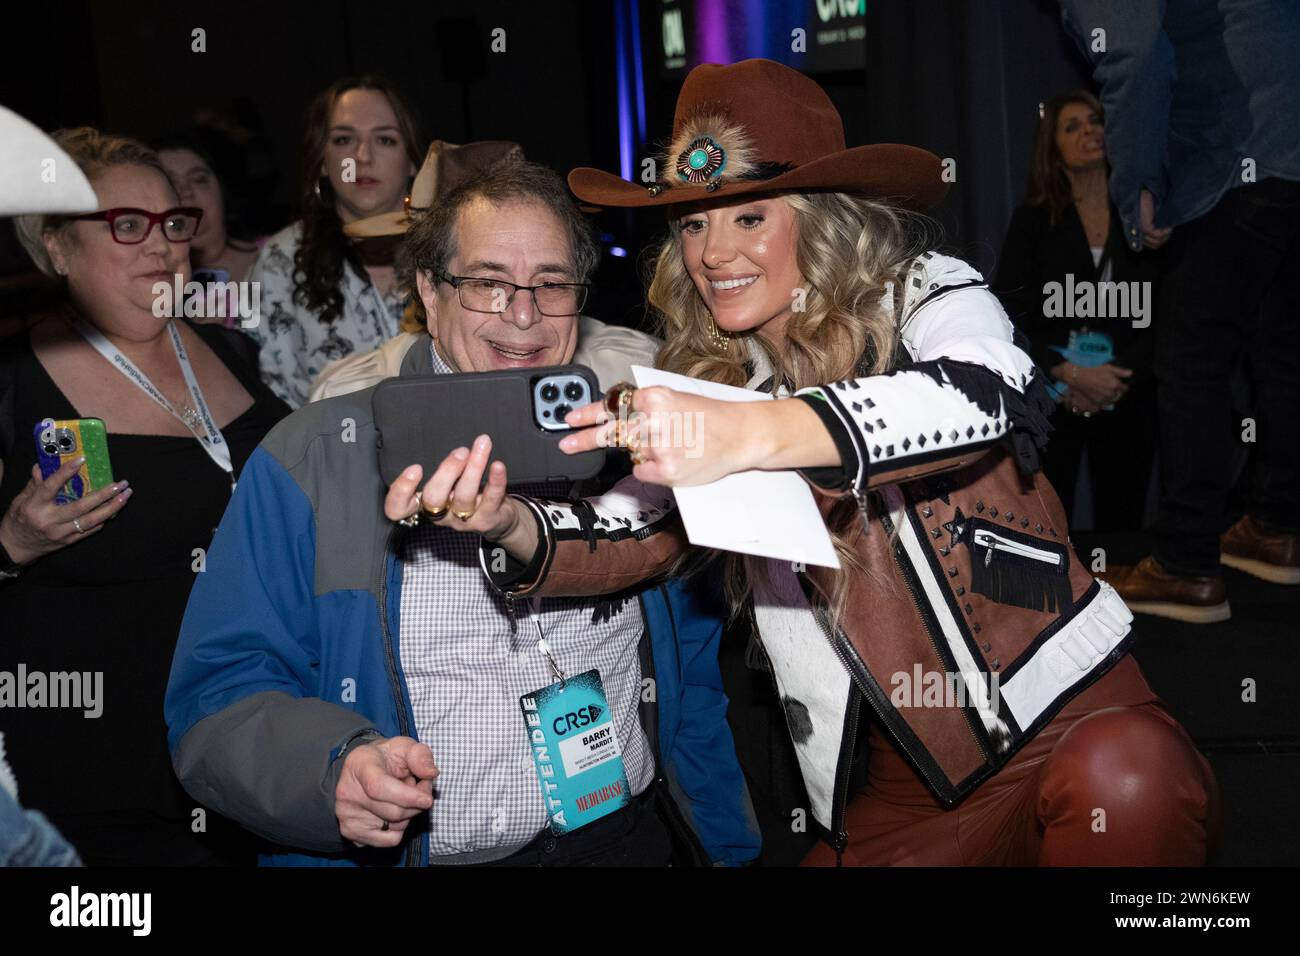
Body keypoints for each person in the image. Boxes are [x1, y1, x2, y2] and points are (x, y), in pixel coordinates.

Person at [406, 59, 1219, 866]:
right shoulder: (715, 385)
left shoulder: (925, 293)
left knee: (1130, 779)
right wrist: (507, 520)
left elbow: (989, 392)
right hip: (905, 785)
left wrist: (751, 434)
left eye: (748, 218)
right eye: (692, 224)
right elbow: (636, 529)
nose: (713, 254)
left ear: (820, 217)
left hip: (1063, 724)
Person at [164, 159, 760, 867]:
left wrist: (727, 848)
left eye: (550, 284)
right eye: (487, 284)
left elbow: (690, 678)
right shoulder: (317, 457)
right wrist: (331, 771)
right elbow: (220, 694)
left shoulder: (629, 441)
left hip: (620, 843)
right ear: (429, 289)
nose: (523, 313)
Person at [0, 128, 290, 865]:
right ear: (58, 247)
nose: (161, 246)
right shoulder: (13, 382)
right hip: (96, 775)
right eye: (127, 225)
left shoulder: (233, 352)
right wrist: (12, 545)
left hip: (245, 745)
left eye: (173, 222)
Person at [1061, 0, 1300, 621]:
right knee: (1283, 349)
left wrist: (1137, 183)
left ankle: (1187, 565)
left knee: (1193, 361)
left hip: (1233, 155)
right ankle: (1277, 526)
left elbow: (1135, 57)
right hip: (1288, 148)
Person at [993, 91, 1155, 530]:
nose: (1090, 131)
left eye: (1095, 121)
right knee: (1049, 525)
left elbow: (1166, 309)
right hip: (1052, 397)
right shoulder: (1032, 221)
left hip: (1129, 393)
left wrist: (1118, 377)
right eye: (1073, 126)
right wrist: (1066, 371)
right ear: (1053, 149)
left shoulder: (1141, 216)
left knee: (1124, 527)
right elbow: (1007, 312)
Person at [246, 75, 426, 407]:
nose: (363, 156)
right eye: (344, 140)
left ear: (413, 161)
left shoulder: (449, 247)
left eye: (385, 140)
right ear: (323, 161)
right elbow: (272, 396)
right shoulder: (281, 260)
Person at [155, 134, 263, 327]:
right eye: (170, 183)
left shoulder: (281, 255)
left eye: (198, 179)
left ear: (224, 190)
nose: (185, 191)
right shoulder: (151, 286)